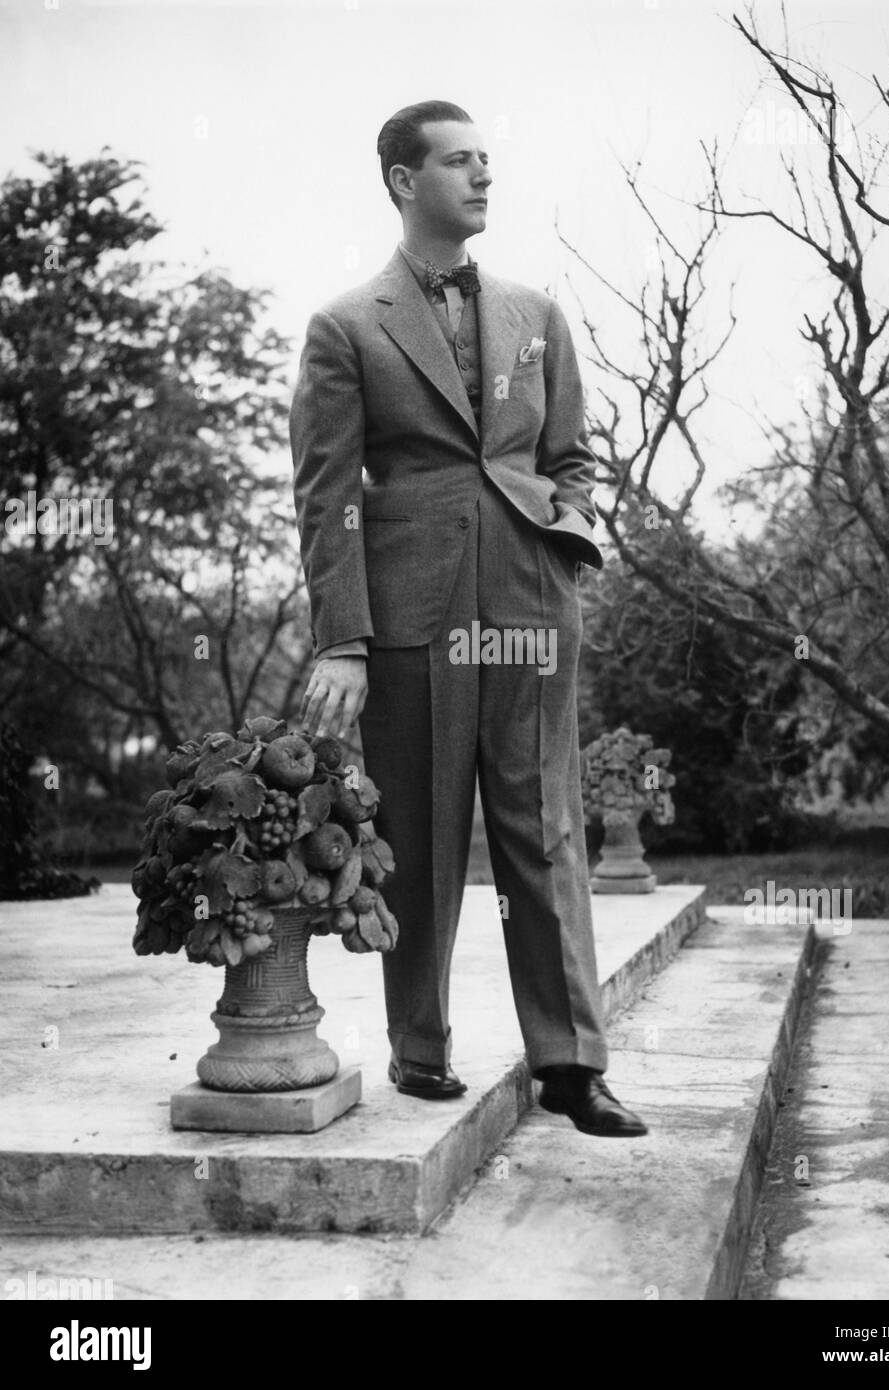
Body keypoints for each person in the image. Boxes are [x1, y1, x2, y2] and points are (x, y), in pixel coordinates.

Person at [290, 100, 646, 1137]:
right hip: (410, 615)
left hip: (534, 603)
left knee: (546, 828)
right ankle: (420, 1044)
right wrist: (342, 636)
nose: (482, 177)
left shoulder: (537, 314)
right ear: (404, 181)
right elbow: (327, 493)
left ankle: (572, 1064)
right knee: (424, 832)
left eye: (488, 160)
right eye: (457, 162)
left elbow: (570, 455)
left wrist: (567, 533)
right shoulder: (347, 324)